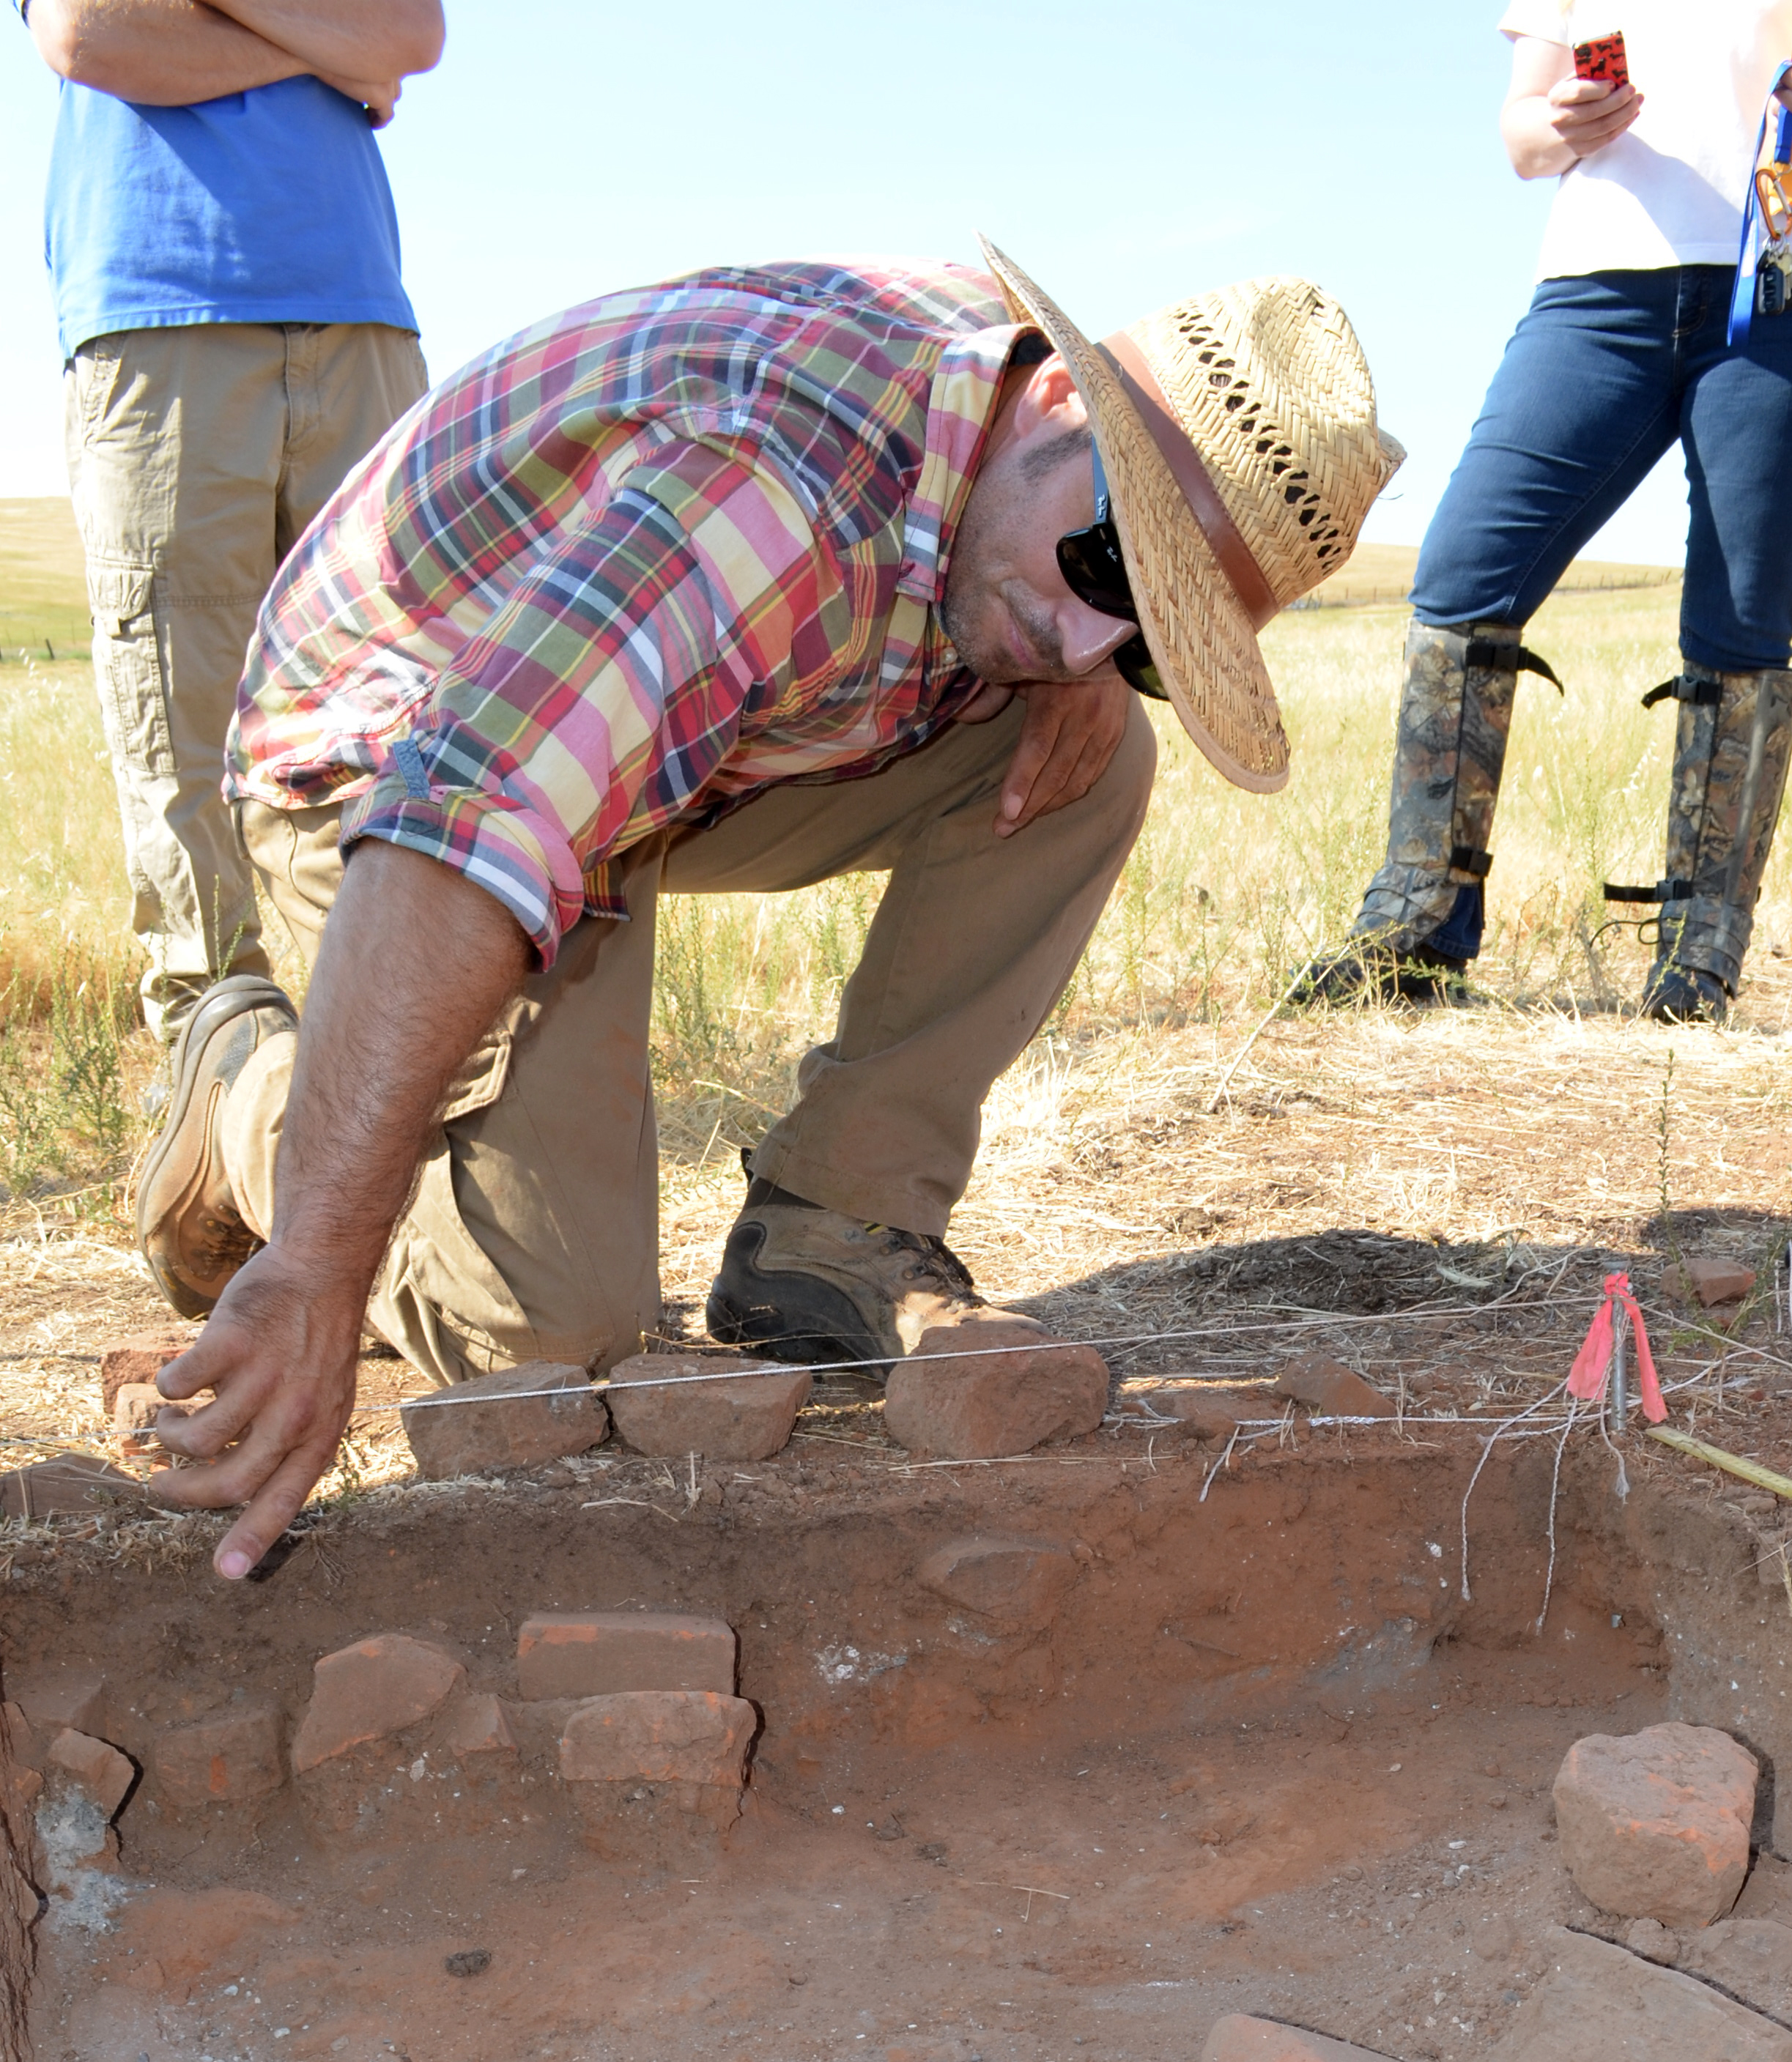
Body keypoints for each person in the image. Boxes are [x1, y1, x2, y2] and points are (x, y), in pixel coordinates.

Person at [131, 248, 1399, 1579]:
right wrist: (317, 1266)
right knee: (546, 1342)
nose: (1092, 645)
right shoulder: (771, 497)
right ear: (1057, 404)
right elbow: (463, 829)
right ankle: (242, 1083)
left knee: (1091, 750)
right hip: (395, 761)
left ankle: (834, 1223)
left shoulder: (1005, 485)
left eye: (1143, 635)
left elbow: (1039, 614)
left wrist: (1086, 611)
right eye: (1107, 564)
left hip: (664, 737)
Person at [1300, 1, 1792, 1020]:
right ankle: (1413, 926)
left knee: (1741, 627)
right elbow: (1522, 132)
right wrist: (1562, 122)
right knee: (1463, 575)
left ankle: (1695, 963)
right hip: (1598, 294)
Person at [23, 0, 443, 1050]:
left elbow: (410, 36)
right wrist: (319, 44)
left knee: (404, 714)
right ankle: (221, 1088)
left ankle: (390, 1067)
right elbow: (88, 37)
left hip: (360, 312)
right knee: (183, 723)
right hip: (156, 309)